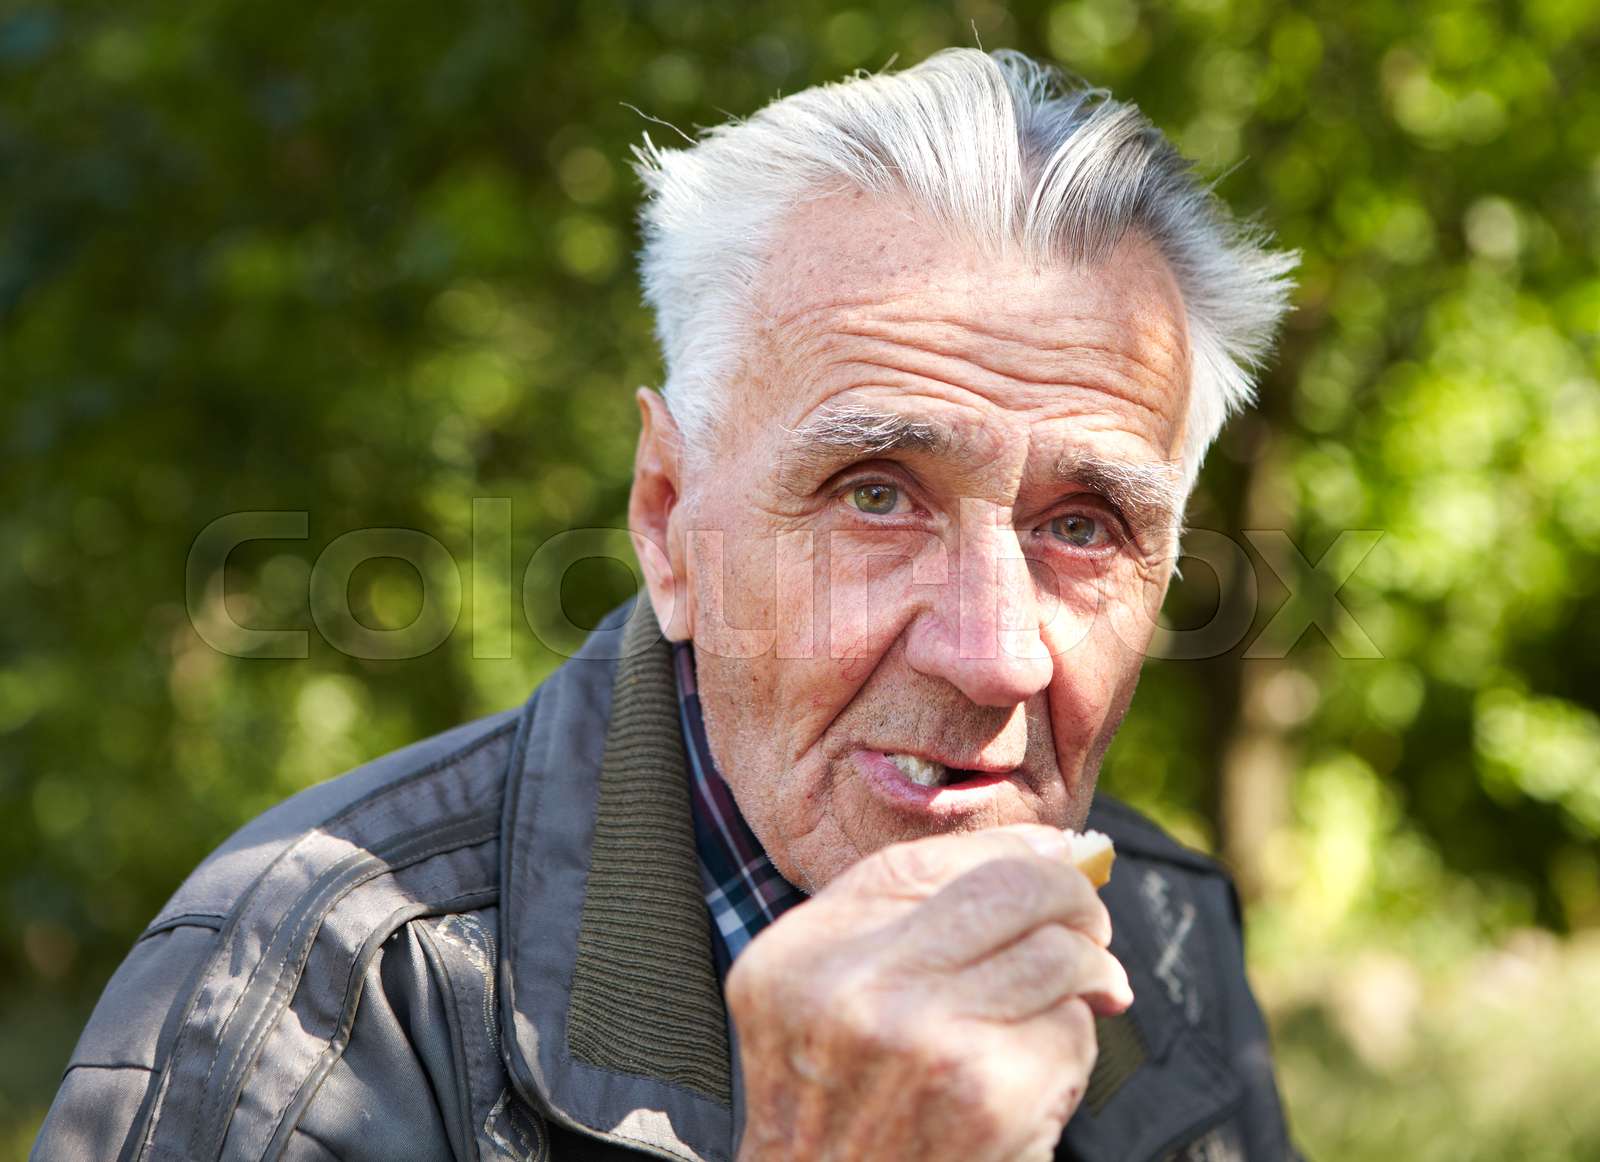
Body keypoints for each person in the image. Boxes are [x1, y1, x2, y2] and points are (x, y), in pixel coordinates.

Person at [34, 47, 1302, 1162]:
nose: (993, 655)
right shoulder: (313, 1000)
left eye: (1083, 526)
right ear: (667, 516)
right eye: (875, 495)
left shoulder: (1160, 921)